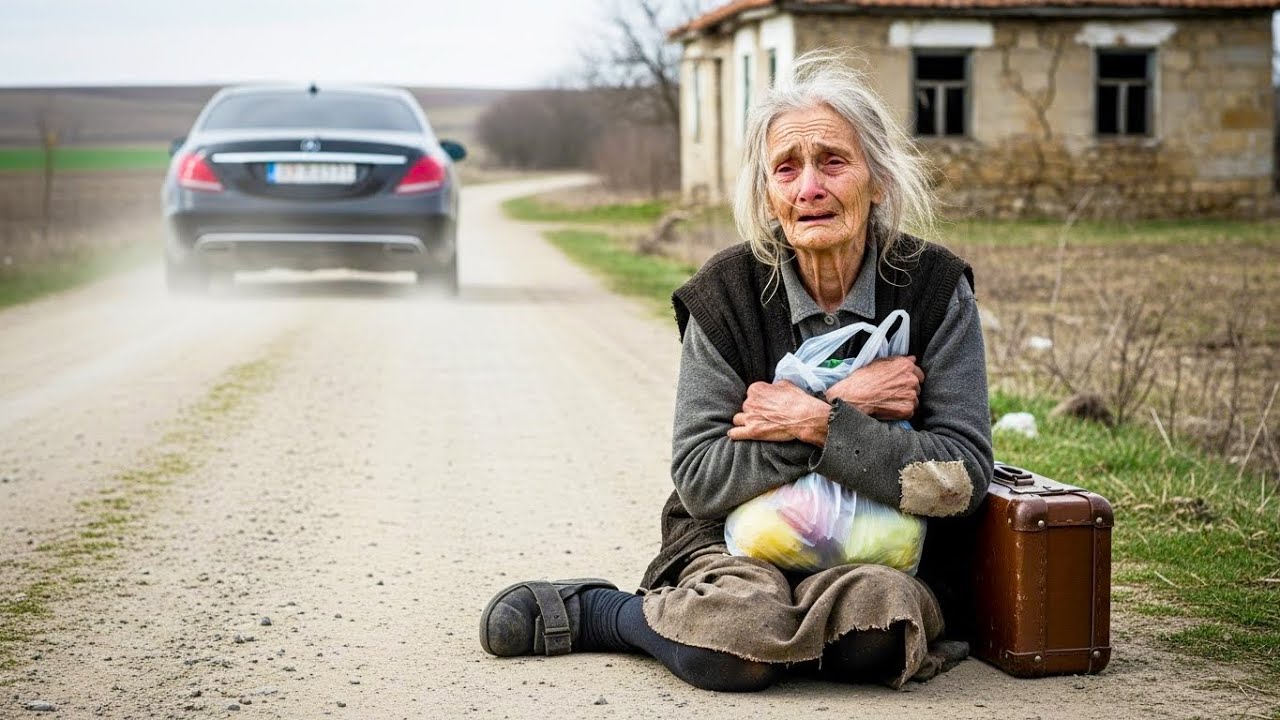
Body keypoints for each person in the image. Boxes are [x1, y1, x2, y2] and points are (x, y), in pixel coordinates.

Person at [478, 50, 992, 692]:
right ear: (768, 193)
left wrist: (815, 423)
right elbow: (700, 480)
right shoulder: (725, 295)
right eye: (787, 168)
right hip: (732, 538)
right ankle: (606, 614)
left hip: (888, 551)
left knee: (880, 638)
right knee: (732, 650)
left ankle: (740, 632)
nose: (810, 188)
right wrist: (834, 408)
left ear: (877, 178)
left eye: (833, 161)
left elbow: (964, 477)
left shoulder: (935, 288)